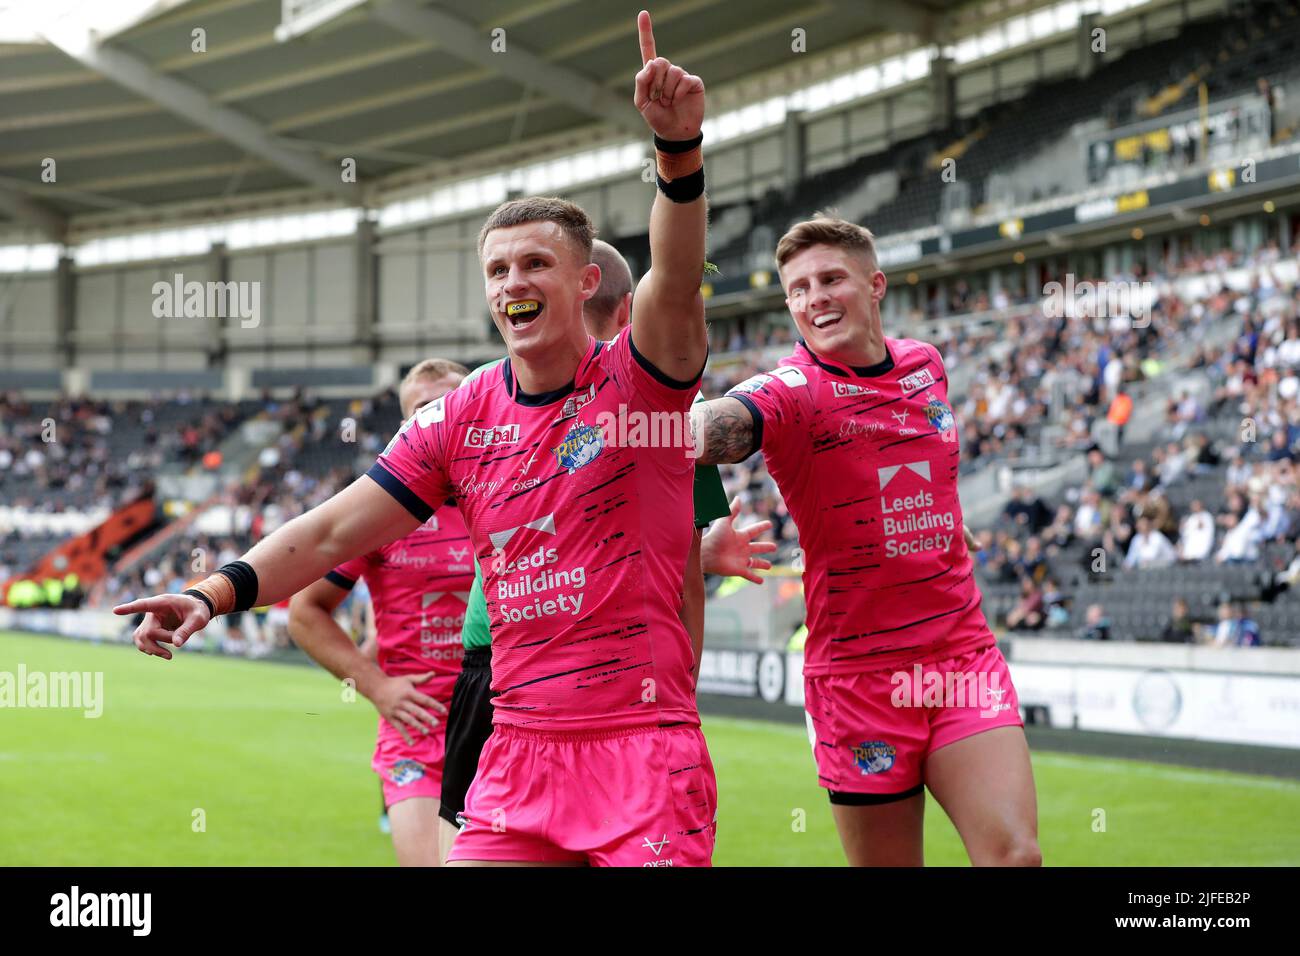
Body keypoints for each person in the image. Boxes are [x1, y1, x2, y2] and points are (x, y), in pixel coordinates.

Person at [116, 10, 716, 867]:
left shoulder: (642, 378)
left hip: (642, 752)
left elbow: (680, 273)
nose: (514, 281)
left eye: (536, 264)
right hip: (514, 753)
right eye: (498, 269)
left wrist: (680, 153)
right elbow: (328, 533)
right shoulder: (461, 417)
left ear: (586, 280)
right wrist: (210, 595)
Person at [691, 216, 1039, 867]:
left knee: (1016, 856)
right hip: (858, 679)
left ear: (874, 285)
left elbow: (923, 478)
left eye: (830, 279)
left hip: (960, 656)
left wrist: (934, 528)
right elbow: (719, 427)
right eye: (797, 289)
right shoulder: (794, 391)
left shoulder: (925, 365)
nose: (813, 297)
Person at [434, 239, 775, 862]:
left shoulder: (502, 400)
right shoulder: (664, 412)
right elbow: (678, 579)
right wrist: (681, 700)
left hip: (495, 671)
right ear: (627, 314)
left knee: (456, 837)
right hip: (596, 697)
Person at [288, 358, 474, 867]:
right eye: (424, 408)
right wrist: (377, 686)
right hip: (419, 728)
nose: (438, 416)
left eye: (449, 404)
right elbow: (306, 612)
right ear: (406, 426)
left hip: (506, 724)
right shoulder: (384, 509)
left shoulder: (508, 494)